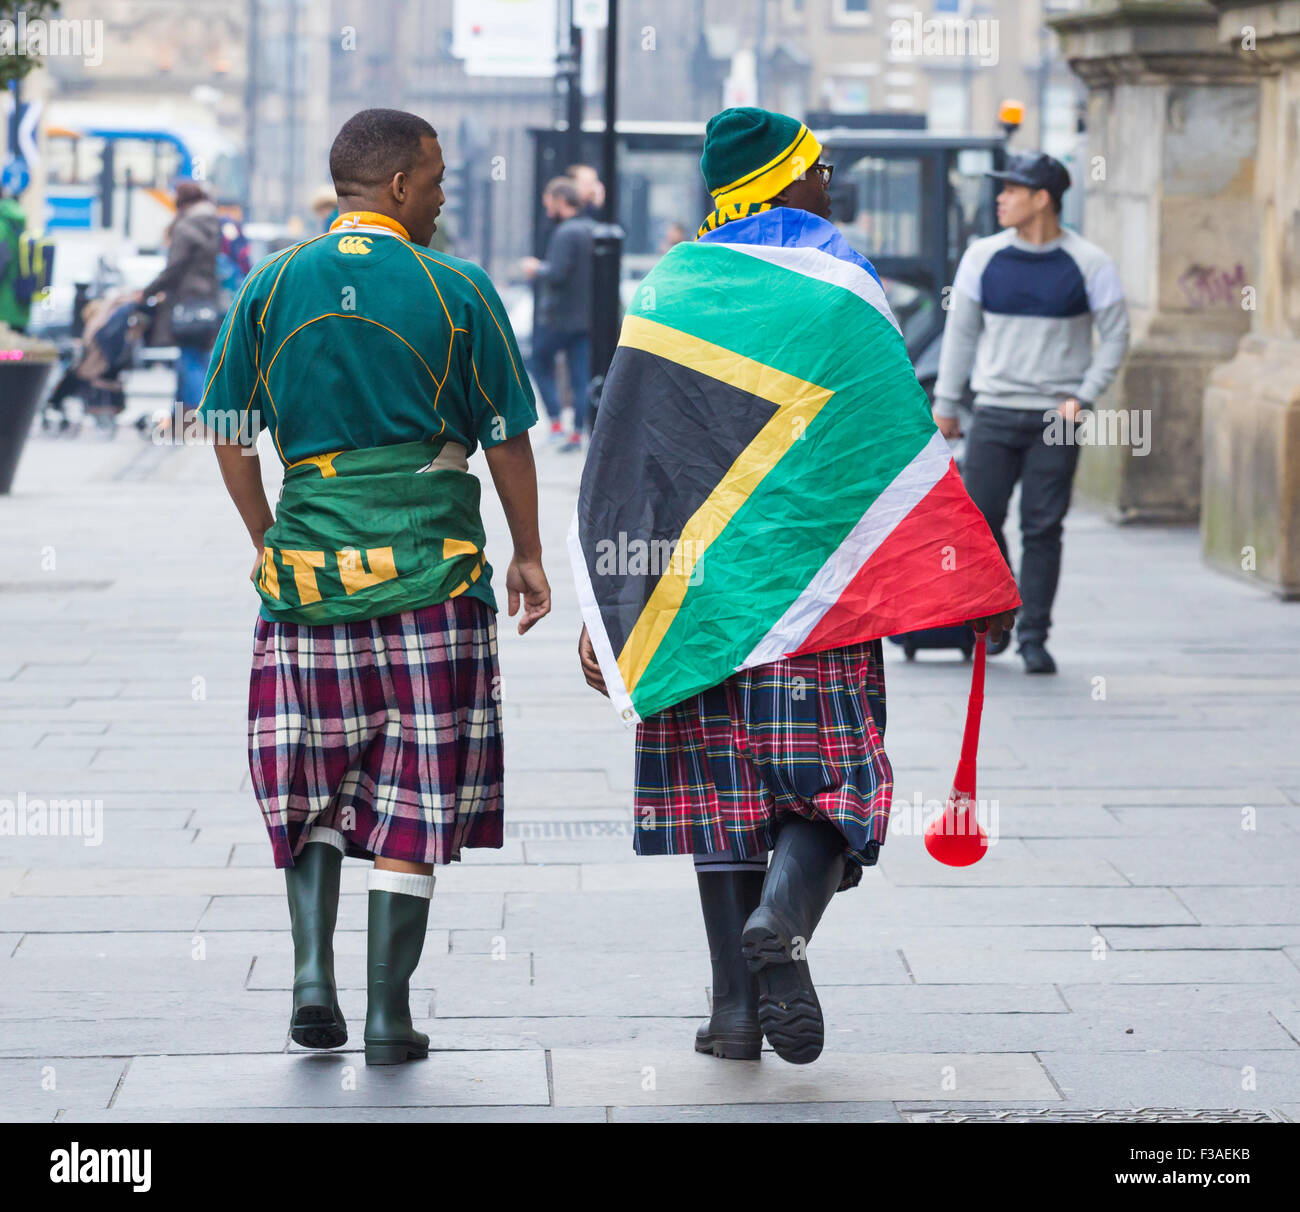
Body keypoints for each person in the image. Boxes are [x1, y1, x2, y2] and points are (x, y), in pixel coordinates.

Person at [576, 106, 1016, 1066]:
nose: (832, 184)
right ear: (783, 182)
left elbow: (624, 458)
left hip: (694, 607)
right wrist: (961, 564)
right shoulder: (842, 287)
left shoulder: (672, 288)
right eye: (819, 169)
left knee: (718, 800)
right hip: (820, 595)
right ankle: (782, 917)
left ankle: (736, 1013)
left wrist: (606, 612)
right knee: (834, 787)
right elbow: (892, 442)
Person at [196, 108, 550, 1065]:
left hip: (307, 582)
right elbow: (509, 434)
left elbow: (227, 428)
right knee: (416, 791)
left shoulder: (269, 287)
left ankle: (313, 977)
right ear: (398, 187)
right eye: (435, 180)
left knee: (312, 780)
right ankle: (389, 1017)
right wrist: (527, 550)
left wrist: (271, 538)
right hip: (433, 580)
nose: (442, 196)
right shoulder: (458, 289)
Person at [932, 152, 1130, 674]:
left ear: (1042, 199)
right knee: (981, 521)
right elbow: (962, 336)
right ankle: (1002, 614)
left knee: (1043, 527)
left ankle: (1035, 638)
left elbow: (1115, 336)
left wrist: (1084, 396)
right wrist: (947, 405)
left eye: (1012, 190)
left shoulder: (1090, 263)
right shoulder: (982, 257)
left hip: (1056, 417)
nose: (1000, 198)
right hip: (994, 409)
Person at [138, 179, 223, 429]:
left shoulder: (186, 227)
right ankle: (186, 416)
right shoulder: (211, 222)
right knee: (199, 358)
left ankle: (197, 419)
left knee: (189, 359)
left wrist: (148, 291)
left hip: (187, 301)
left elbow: (174, 268)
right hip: (207, 300)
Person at [521, 176, 596, 452]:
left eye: (549, 203)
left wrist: (535, 268)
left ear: (562, 201)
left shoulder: (566, 233)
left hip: (560, 319)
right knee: (581, 377)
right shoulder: (593, 228)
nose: (547, 209)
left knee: (537, 361)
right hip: (587, 320)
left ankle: (555, 423)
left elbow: (557, 273)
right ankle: (577, 432)